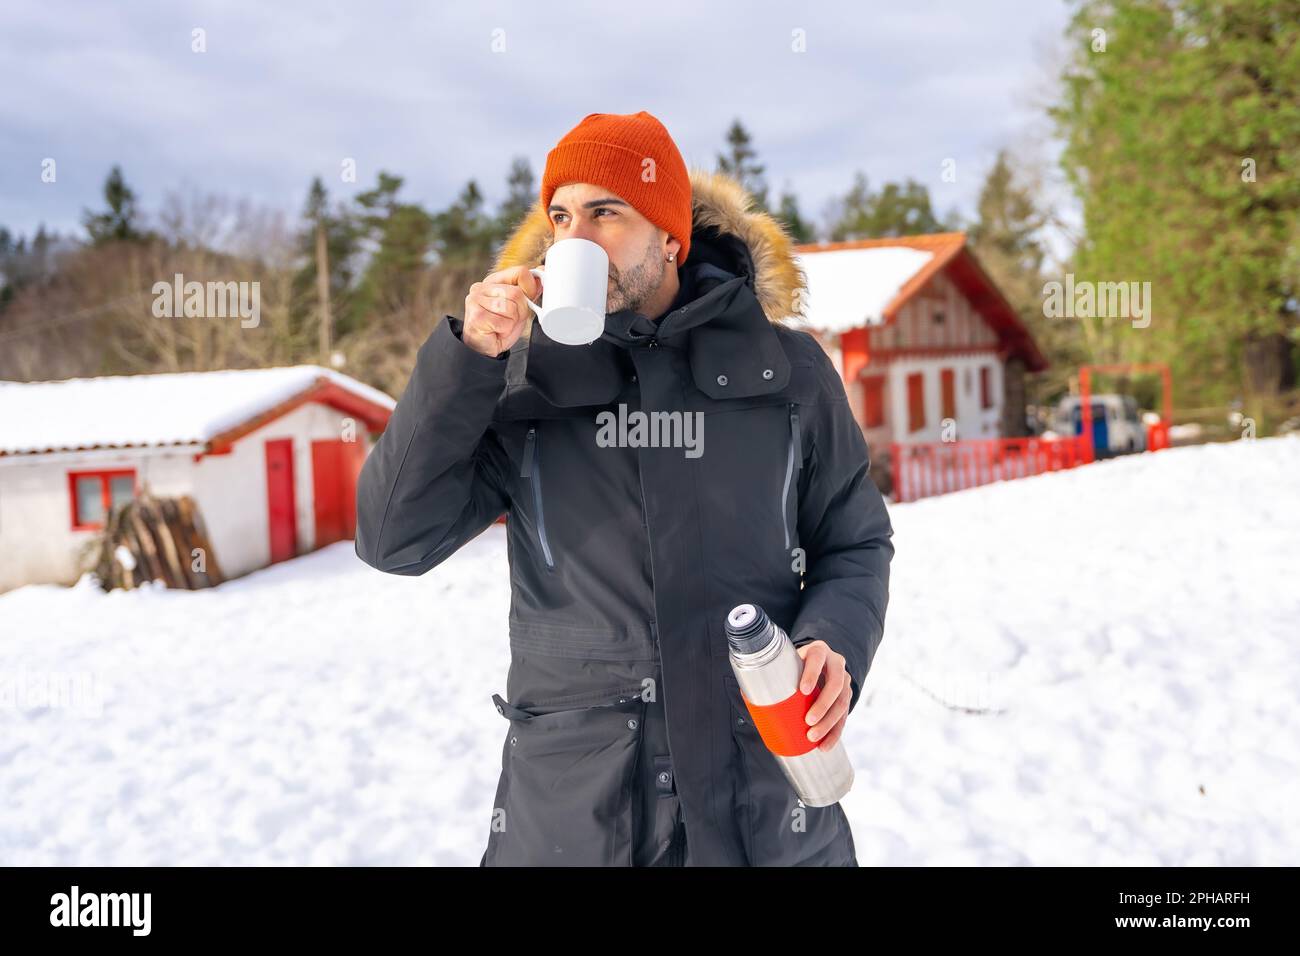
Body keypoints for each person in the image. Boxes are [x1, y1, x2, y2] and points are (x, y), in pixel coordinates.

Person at [355, 110, 894, 866]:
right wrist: (467, 361)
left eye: (606, 213)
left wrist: (834, 641)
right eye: (562, 217)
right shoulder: (519, 381)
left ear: (671, 237)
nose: (576, 237)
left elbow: (854, 539)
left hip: (766, 816)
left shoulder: (788, 371)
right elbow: (391, 540)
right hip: (575, 823)